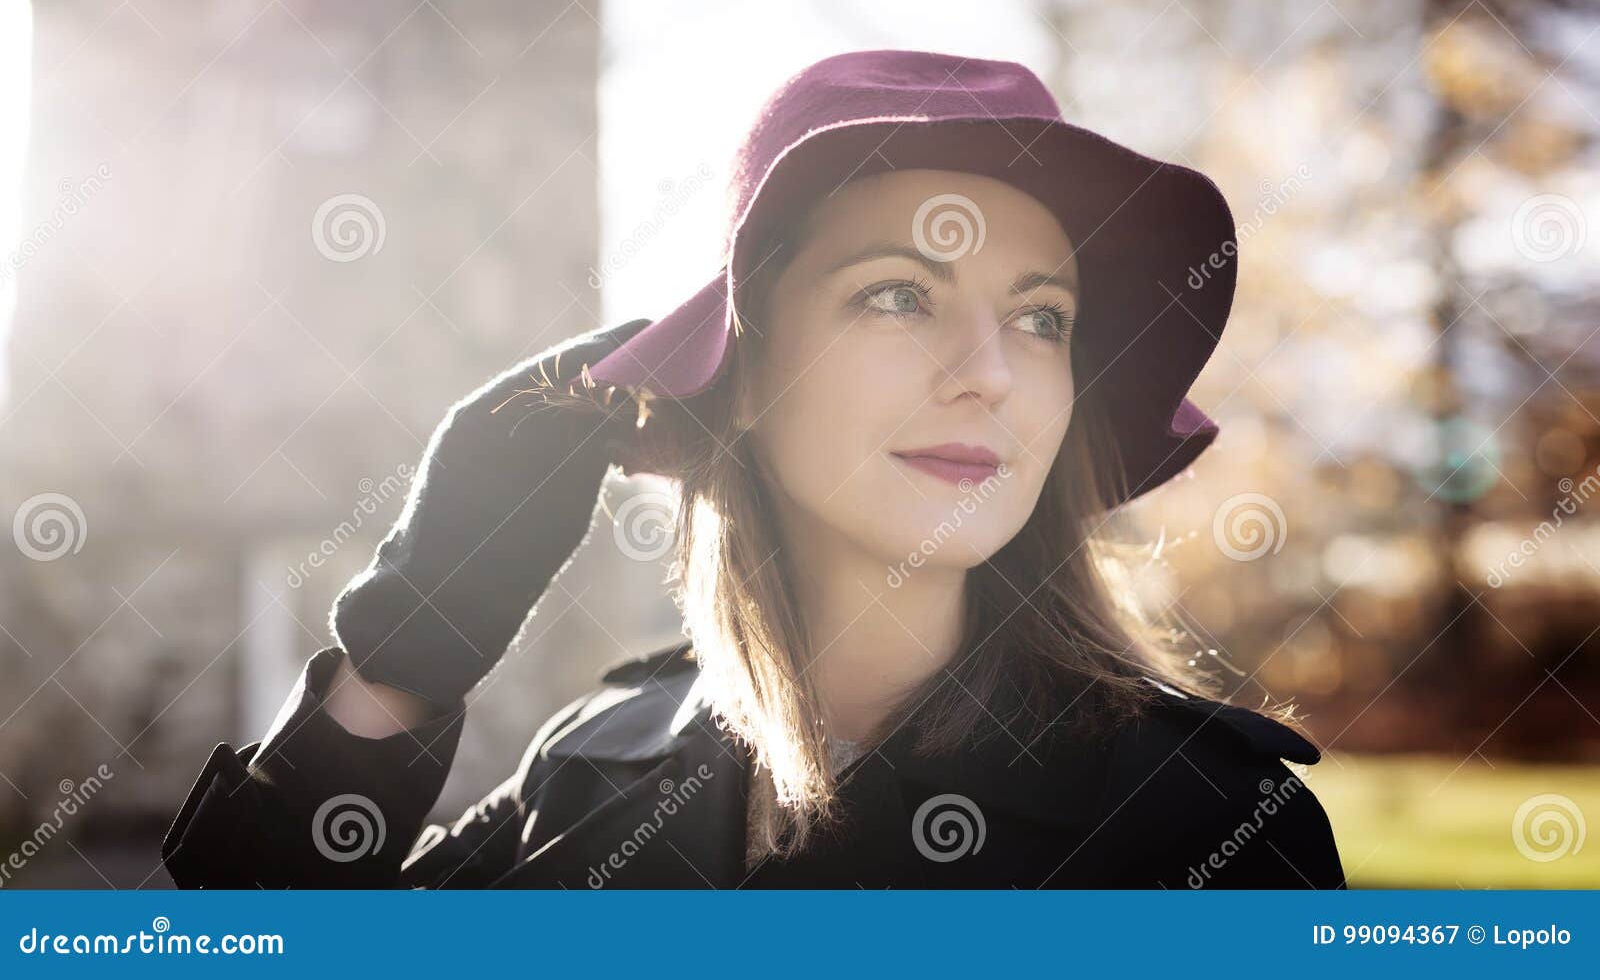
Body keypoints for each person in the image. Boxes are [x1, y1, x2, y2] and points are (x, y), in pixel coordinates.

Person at [161, 49, 1345, 889]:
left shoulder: (1206, 827)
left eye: (1041, 318)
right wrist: (406, 656)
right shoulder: (588, 774)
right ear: (739, 368)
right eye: (898, 294)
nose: (989, 372)